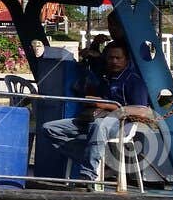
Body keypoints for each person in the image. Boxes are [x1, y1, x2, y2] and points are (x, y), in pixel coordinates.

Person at [41, 40, 151, 184]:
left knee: (100, 125)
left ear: (127, 60)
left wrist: (107, 105)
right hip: (94, 118)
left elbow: (142, 111)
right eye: (111, 58)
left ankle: (88, 175)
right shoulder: (105, 77)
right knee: (50, 128)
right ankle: (91, 156)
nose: (114, 61)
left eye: (118, 58)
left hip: (122, 123)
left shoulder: (134, 81)